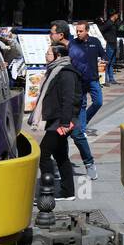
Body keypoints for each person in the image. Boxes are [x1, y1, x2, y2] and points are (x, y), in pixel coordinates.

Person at [50, 20, 95, 180]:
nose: (50, 35)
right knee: (58, 135)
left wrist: (77, 90)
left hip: (74, 99)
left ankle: (89, 163)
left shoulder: (73, 51)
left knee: (76, 133)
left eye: (52, 32)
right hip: (61, 100)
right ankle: (60, 168)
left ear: (60, 35)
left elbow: (85, 73)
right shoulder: (59, 48)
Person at [37, 41, 82, 201]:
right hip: (56, 118)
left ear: (59, 56)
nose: (46, 56)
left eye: (49, 53)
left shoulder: (66, 73)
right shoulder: (55, 71)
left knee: (43, 154)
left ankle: (47, 192)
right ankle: (67, 191)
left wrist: (64, 123)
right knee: (61, 155)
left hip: (60, 121)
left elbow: (68, 99)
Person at [73, 20, 104, 180]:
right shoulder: (73, 43)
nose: (77, 33)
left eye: (80, 31)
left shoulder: (94, 42)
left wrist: (104, 61)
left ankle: (84, 122)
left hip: (93, 78)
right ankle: (83, 127)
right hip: (79, 80)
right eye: (76, 31)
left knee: (98, 101)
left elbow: (103, 55)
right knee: (83, 105)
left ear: (87, 31)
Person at [103, 11, 121, 84]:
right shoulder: (109, 23)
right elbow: (102, 30)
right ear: (114, 15)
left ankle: (111, 78)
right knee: (108, 62)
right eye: (117, 15)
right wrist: (105, 38)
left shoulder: (114, 23)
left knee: (112, 62)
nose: (118, 16)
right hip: (109, 43)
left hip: (114, 43)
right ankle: (106, 79)